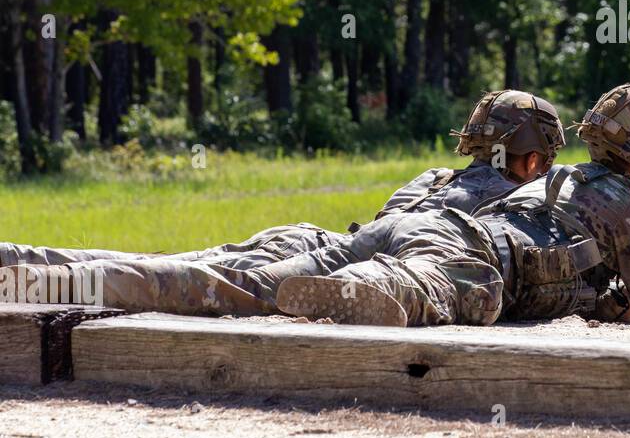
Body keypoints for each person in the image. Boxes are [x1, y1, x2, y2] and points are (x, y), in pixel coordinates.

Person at [0, 90, 566, 316]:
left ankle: (34, 265)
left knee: (214, 265)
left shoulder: (431, 178)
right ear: (533, 157)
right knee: (236, 292)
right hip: (416, 251)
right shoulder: (536, 194)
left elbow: (382, 221)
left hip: (331, 239)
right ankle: (367, 290)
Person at [272, 83, 630, 328]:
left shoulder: (562, 181)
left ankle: (216, 280)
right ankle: (358, 285)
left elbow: (584, 280)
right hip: (472, 256)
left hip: (430, 230)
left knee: (270, 277)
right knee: (428, 287)